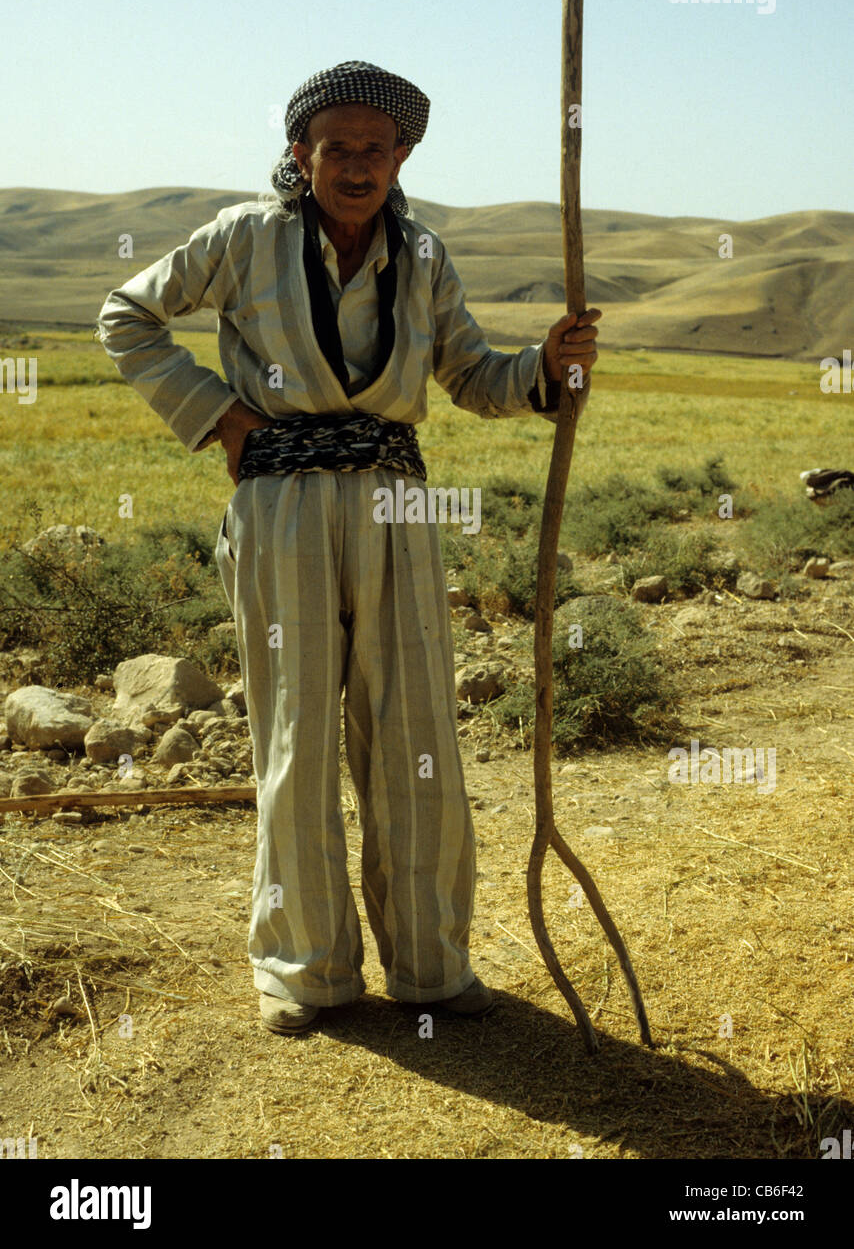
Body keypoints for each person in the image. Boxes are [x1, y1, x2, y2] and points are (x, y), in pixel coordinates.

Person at [96, 60, 600, 1035]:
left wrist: (543, 366)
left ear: (402, 155)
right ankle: (305, 972)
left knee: (415, 733)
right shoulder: (244, 238)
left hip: (395, 505)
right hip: (278, 501)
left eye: (377, 148)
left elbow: (471, 374)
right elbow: (127, 315)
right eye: (337, 148)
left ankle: (428, 965)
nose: (357, 165)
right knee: (295, 734)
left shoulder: (424, 254)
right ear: (301, 153)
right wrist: (218, 416)